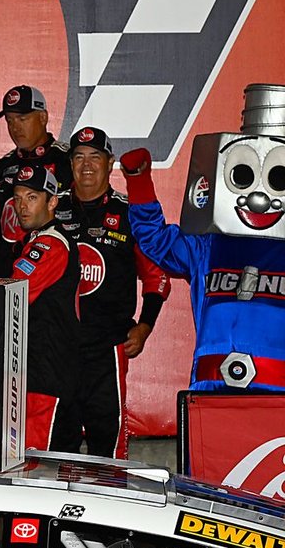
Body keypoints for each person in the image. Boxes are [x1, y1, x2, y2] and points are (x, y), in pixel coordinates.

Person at [121, 146, 285, 391]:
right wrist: (139, 181)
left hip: (279, 389)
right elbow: (156, 240)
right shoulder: (208, 247)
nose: (258, 197)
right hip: (212, 383)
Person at [58, 128, 169, 458]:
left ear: (110, 164)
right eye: (79, 157)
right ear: (70, 164)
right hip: (57, 347)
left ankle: (107, 493)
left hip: (107, 348)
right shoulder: (50, 205)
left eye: (95, 157)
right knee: (55, 441)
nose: (86, 165)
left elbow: (156, 276)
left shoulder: (129, 213)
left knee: (106, 441)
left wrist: (145, 325)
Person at [9, 166, 81, 452]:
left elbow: (14, 293)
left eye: (32, 197)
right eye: (17, 198)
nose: (22, 206)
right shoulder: (37, 239)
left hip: (47, 375)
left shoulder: (50, 244)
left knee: (36, 463)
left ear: (52, 202)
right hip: (42, 371)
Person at [0, 85, 72, 277]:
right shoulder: (1, 167)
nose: (15, 128)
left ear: (43, 117)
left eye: (22, 119)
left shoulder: (68, 161)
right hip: (2, 279)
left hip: (49, 278)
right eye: (10, 121)